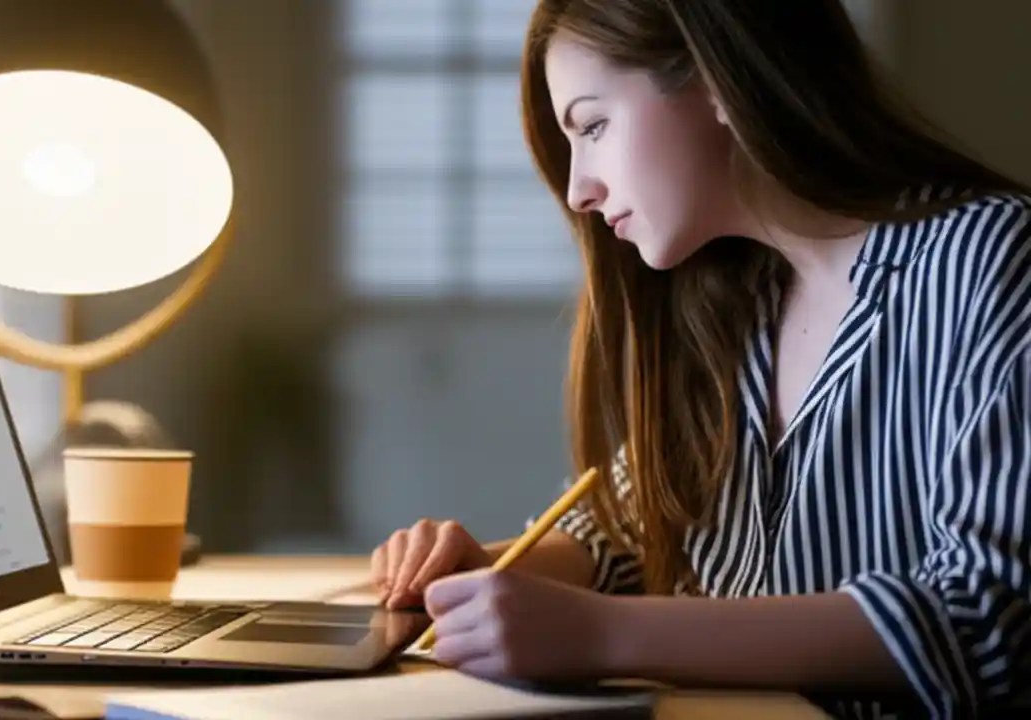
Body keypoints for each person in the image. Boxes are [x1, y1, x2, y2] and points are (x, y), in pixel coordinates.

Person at [368, 1, 1031, 717]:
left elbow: (986, 620)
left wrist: (602, 635)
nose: (577, 189)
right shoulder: (734, 297)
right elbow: (624, 532)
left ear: (718, 79)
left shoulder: (989, 262)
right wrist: (484, 570)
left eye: (592, 126)